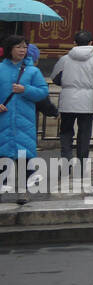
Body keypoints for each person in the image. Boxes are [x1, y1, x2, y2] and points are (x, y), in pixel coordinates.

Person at [0, 35, 50, 199]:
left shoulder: (33, 71)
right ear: (9, 49)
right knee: (2, 157)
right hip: (4, 119)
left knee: (25, 157)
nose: (22, 50)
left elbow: (43, 92)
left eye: (24, 47)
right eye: (18, 47)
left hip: (24, 121)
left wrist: (25, 90)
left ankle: (24, 191)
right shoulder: (0, 69)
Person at [51, 29, 93, 162]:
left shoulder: (64, 59)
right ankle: (81, 162)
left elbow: (55, 77)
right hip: (88, 101)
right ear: (90, 43)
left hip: (67, 100)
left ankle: (66, 158)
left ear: (74, 43)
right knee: (84, 133)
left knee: (66, 131)